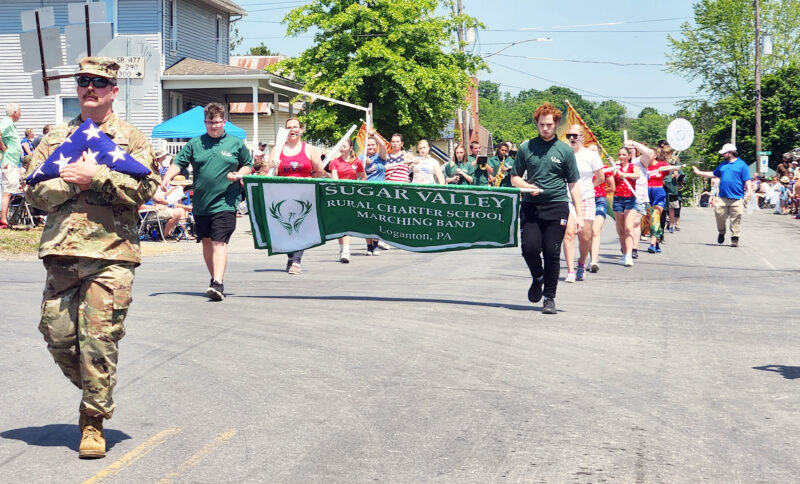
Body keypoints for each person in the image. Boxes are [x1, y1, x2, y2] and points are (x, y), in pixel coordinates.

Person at [23, 57, 160, 458]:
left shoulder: (131, 139)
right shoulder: (55, 140)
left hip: (112, 254)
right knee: (58, 336)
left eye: (99, 83)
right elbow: (33, 191)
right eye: (84, 81)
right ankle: (97, 387)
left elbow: (144, 189)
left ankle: (93, 422)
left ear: (113, 90)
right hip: (62, 252)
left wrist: (95, 175)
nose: (90, 88)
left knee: (98, 342)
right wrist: (69, 183)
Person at [163, 102, 252, 298]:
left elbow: (248, 164)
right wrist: (167, 176)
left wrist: (238, 174)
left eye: (217, 122)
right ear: (205, 122)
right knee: (206, 241)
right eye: (210, 122)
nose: (214, 126)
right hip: (202, 202)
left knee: (219, 241)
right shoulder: (195, 143)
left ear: (224, 122)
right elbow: (178, 162)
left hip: (226, 201)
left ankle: (218, 282)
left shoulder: (235, 143)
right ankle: (215, 280)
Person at [510, 102, 582, 315]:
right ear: (537, 124)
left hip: (557, 206)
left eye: (549, 124)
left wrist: (578, 214)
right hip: (531, 206)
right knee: (530, 249)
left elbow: (573, 184)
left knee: (552, 252)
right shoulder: (526, 148)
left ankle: (549, 297)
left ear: (556, 124)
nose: (545, 128)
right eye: (542, 124)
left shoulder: (564, 151)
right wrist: (526, 186)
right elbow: (513, 177)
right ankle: (537, 276)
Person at [266, 117, 324, 273]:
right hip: (282, 194)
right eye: (289, 127)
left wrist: (311, 182)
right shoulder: (277, 150)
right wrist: (271, 166)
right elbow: (270, 174)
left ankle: (296, 260)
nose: (292, 130)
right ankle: (291, 257)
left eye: (295, 127)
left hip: (304, 194)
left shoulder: (310, 149)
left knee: (300, 226)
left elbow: (319, 171)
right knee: (287, 227)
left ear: (301, 130)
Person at [561, 125, 604, 282]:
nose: (572, 138)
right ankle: (570, 271)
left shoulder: (590, 155)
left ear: (582, 137)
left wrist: (588, 188)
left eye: (575, 135)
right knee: (569, 233)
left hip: (586, 198)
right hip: (567, 198)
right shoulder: (564, 154)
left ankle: (581, 263)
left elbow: (601, 177)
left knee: (585, 237)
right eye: (569, 135)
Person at [692, 143, 753, 247]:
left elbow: (747, 179)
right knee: (719, 214)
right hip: (722, 197)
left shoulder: (742, 165)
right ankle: (721, 232)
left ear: (730, 153)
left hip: (737, 197)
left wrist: (750, 191)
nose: (723, 155)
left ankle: (735, 237)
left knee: (736, 218)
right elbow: (713, 173)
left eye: (724, 153)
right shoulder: (722, 165)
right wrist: (699, 172)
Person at [329, 138, 366, 262]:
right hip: (339, 196)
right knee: (340, 224)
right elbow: (335, 177)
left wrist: (357, 188)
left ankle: (346, 250)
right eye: (341, 146)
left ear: (350, 148)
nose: (342, 148)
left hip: (352, 197)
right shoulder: (334, 161)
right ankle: (342, 249)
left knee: (347, 223)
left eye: (344, 146)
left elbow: (363, 177)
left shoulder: (357, 162)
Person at [644, 148, 681, 253]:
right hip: (646, 192)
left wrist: (664, 169)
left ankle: (652, 243)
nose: (647, 155)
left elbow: (675, 168)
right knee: (649, 220)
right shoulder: (643, 166)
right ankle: (657, 240)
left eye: (650, 153)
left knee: (655, 217)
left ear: (655, 155)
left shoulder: (661, 164)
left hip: (658, 191)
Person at [611, 146, 641, 267]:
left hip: (630, 199)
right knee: (620, 230)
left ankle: (629, 255)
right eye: (619, 155)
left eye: (624, 155)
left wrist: (625, 175)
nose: (621, 157)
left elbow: (637, 175)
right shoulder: (616, 167)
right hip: (618, 198)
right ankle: (624, 253)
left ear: (629, 156)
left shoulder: (634, 167)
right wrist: (614, 166)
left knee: (628, 227)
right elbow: (612, 179)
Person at [359, 132, 388, 255]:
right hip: (366, 191)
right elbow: (356, 175)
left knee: (378, 219)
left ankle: (376, 244)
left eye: (372, 145)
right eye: (368, 145)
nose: (370, 147)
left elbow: (383, 145)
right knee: (367, 219)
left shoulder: (380, 157)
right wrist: (362, 166)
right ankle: (369, 246)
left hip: (379, 191)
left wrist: (374, 135)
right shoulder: (360, 157)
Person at [589, 145, 614, 273]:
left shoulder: (604, 168)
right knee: (587, 233)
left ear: (599, 154)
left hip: (599, 200)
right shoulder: (583, 167)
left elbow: (612, 187)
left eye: (594, 151)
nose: (592, 153)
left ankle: (594, 260)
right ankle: (588, 258)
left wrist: (599, 190)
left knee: (595, 230)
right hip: (586, 201)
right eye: (589, 151)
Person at [1, 103, 23, 229]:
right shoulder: (7, 122)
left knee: (11, 190)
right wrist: (2, 147)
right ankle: (3, 220)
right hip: (8, 162)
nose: (21, 113)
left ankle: (5, 219)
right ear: (14, 112)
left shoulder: (11, 124)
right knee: (8, 191)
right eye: (20, 111)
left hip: (13, 162)